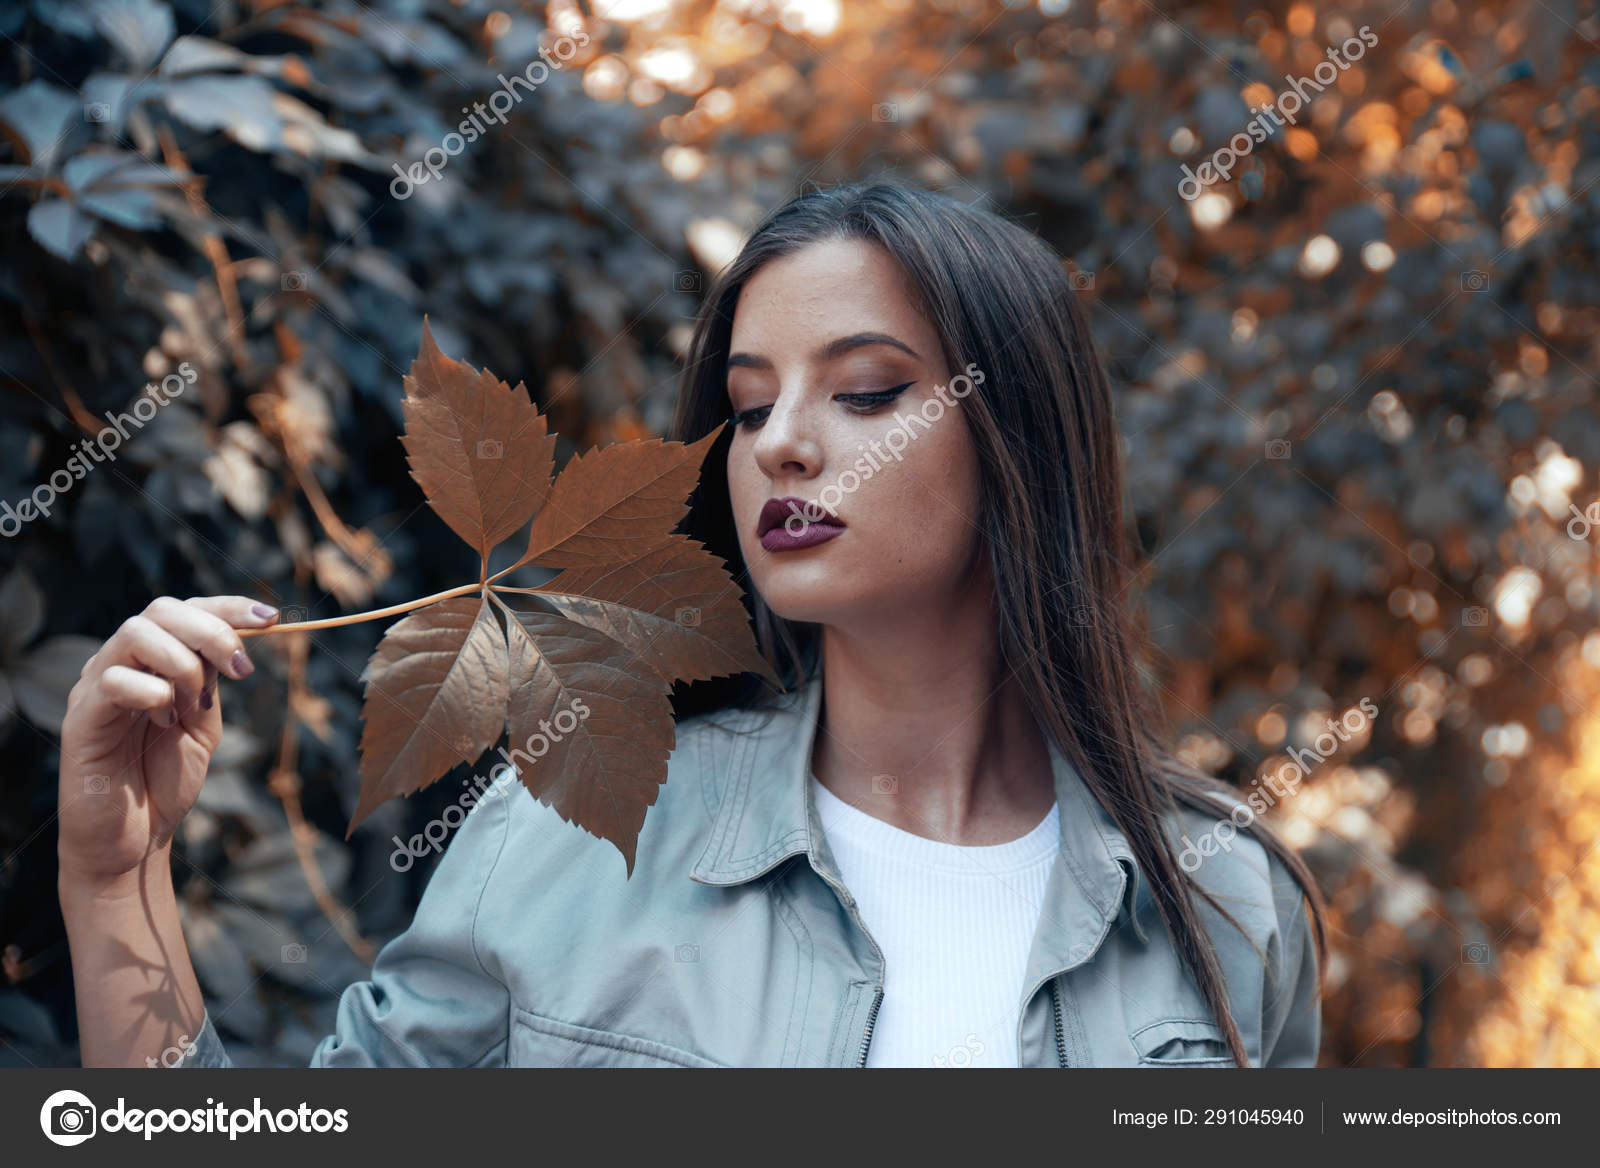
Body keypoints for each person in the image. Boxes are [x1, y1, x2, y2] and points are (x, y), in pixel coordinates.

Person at [57, 180, 1325, 1068]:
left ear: (1018, 435)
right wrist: (117, 883)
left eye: (868, 390)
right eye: (748, 402)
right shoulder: (571, 833)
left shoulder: (1225, 908)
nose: (780, 444)